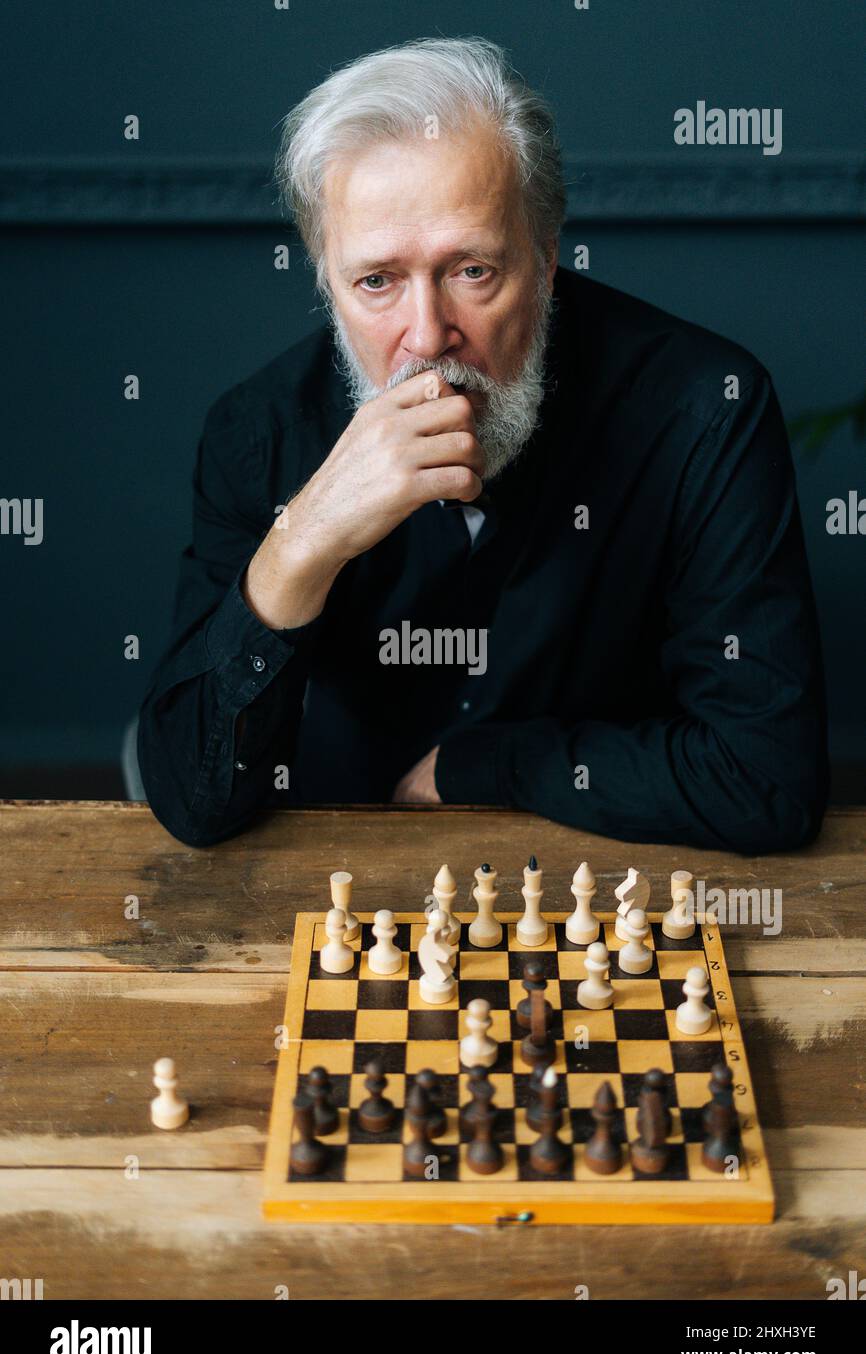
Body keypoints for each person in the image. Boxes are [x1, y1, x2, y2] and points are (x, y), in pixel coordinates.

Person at [138, 37, 828, 852]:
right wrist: (303, 542)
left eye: (471, 270)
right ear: (326, 280)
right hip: (339, 885)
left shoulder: (702, 409)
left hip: (608, 881)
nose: (427, 337)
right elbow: (194, 801)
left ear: (544, 255)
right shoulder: (258, 434)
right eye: (376, 282)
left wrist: (487, 765)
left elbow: (766, 780)